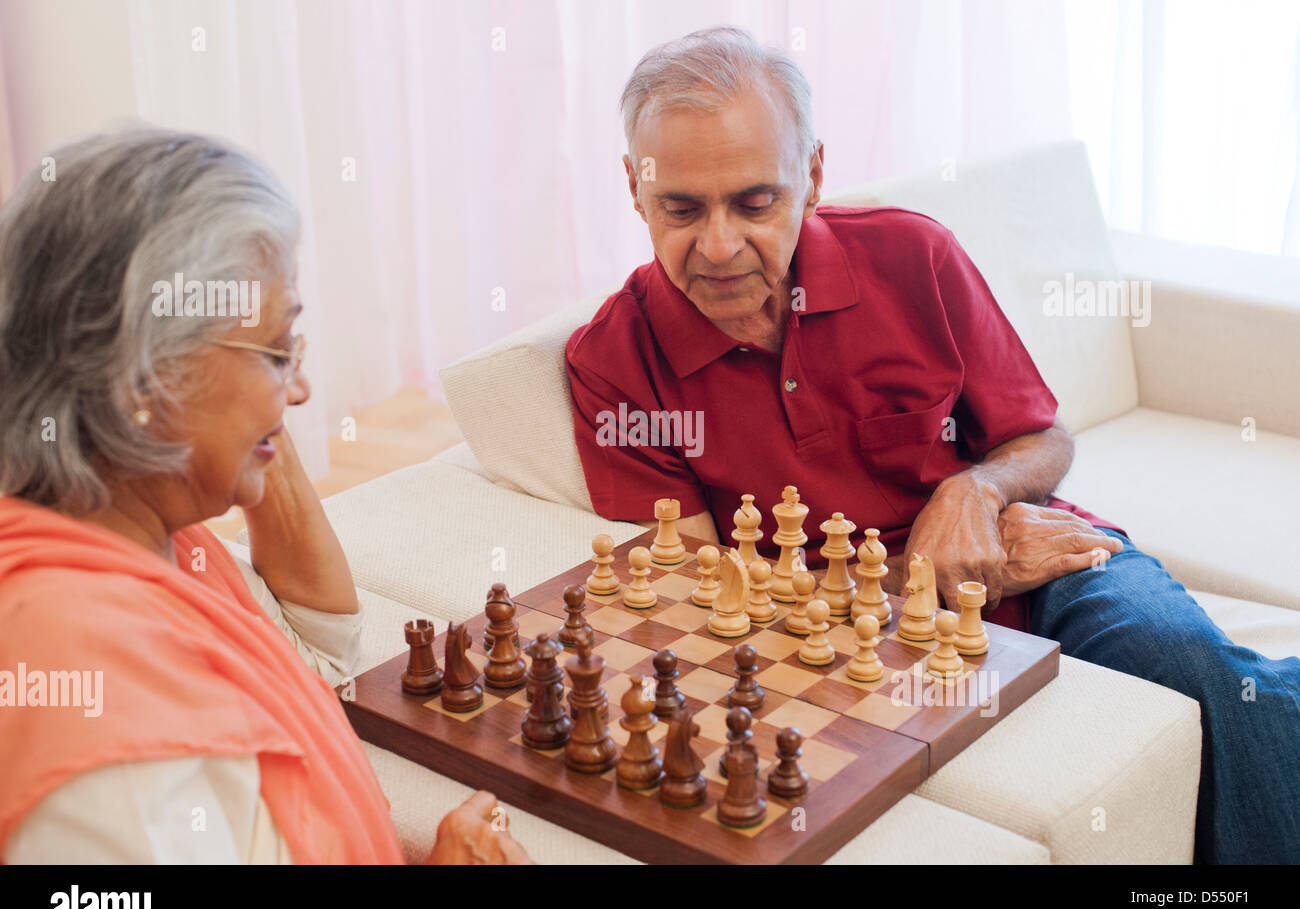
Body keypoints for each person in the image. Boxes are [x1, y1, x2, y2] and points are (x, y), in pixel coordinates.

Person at [564, 26, 1300, 864]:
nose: (720, 246)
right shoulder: (613, 363)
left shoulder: (912, 254)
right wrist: (926, 575)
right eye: (682, 208)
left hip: (1035, 553)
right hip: (855, 635)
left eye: (756, 202)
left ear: (812, 176)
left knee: (1184, 661)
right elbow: (702, 606)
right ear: (636, 189)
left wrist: (975, 491)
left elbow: (1040, 438)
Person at [0, 127, 531, 865]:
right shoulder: (97, 715)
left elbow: (321, 651)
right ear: (143, 377)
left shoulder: (148, 532)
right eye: (278, 353)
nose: (303, 388)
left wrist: (247, 413)